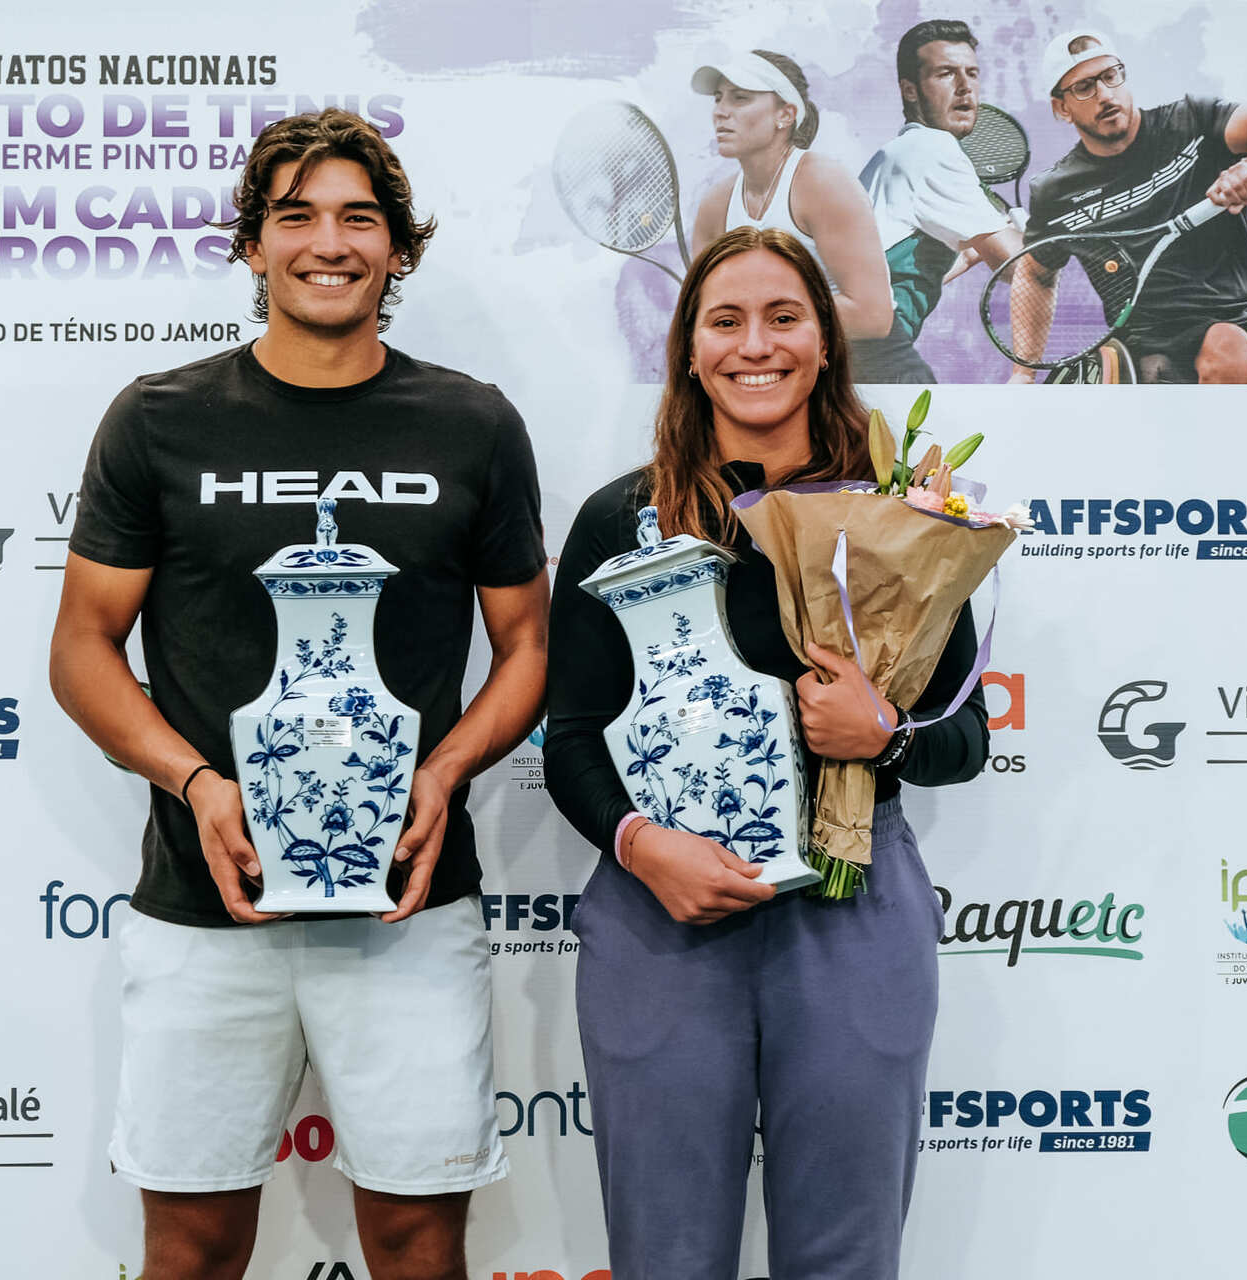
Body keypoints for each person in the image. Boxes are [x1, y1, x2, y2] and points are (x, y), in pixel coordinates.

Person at [48, 108, 548, 1280]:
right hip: (204, 901)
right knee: (192, 1241)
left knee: (420, 1240)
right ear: (254, 245)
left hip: (409, 909)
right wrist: (198, 783)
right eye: (297, 216)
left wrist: (442, 772)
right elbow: (82, 646)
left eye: (359, 217)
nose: (330, 241)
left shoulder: (472, 423)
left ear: (400, 249)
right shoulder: (158, 419)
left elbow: (525, 645)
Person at [543, 226, 990, 1278]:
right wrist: (644, 846)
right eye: (726, 320)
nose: (758, 344)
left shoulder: (901, 512)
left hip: (852, 903)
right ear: (690, 350)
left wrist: (885, 736)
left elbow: (964, 735)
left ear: (826, 342)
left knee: (845, 1250)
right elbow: (569, 737)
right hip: (662, 912)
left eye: (785, 317)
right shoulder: (625, 516)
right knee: (664, 1251)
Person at [1010, 29, 1247, 383]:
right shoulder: (1057, 191)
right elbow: (1035, 274)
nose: (1104, 94)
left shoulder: (1191, 121)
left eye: (1110, 76)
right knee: (1227, 345)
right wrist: (1023, 373)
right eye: (1084, 87)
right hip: (1155, 333)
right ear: (1061, 108)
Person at [853, 19, 1024, 382]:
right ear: (910, 90)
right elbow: (1019, 268)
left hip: (839, 347)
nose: (965, 88)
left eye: (972, 73)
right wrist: (1028, 242)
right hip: (873, 348)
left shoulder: (891, 157)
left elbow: (903, 269)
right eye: (946, 74)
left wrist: (978, 250)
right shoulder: (934, 147)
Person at [691, 50, 896, 346]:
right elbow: (707, 317)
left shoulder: (824, 184)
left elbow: (872, 318)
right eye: (718, 98)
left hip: (865, 364)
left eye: (740, 98)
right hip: (776, 359)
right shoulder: (715, 206)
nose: (720, 111)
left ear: (785, 115)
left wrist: (753, 313)